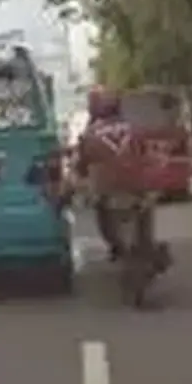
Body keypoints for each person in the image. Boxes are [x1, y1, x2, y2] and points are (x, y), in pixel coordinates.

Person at [74, 86, 163, 264]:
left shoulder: (90, 134)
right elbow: (148, 155)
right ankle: (147, 245)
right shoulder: (134, 129)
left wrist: (80, 181)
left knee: (99, 208)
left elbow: (82, 165)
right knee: (146, 206)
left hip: (107, 187)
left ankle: (116, 246)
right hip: (137, 184)